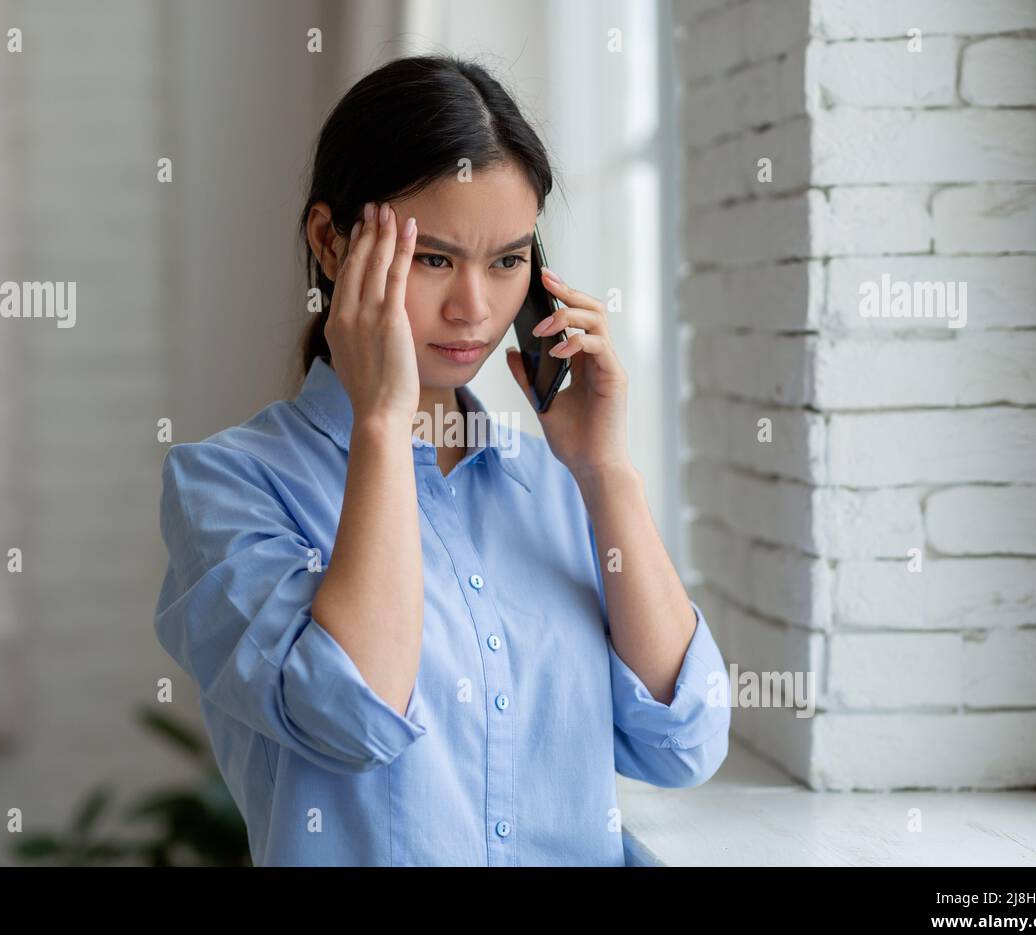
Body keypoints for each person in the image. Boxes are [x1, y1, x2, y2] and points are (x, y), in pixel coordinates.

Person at [153, 54, 730, 867]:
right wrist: (384, 424)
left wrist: (604, 470)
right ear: (331, 241)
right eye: (434, 258)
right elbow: (352, 717)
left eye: (506, 261)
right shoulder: (227, 486)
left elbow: (685, 741)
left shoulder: (561, 486)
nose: (475, 308)